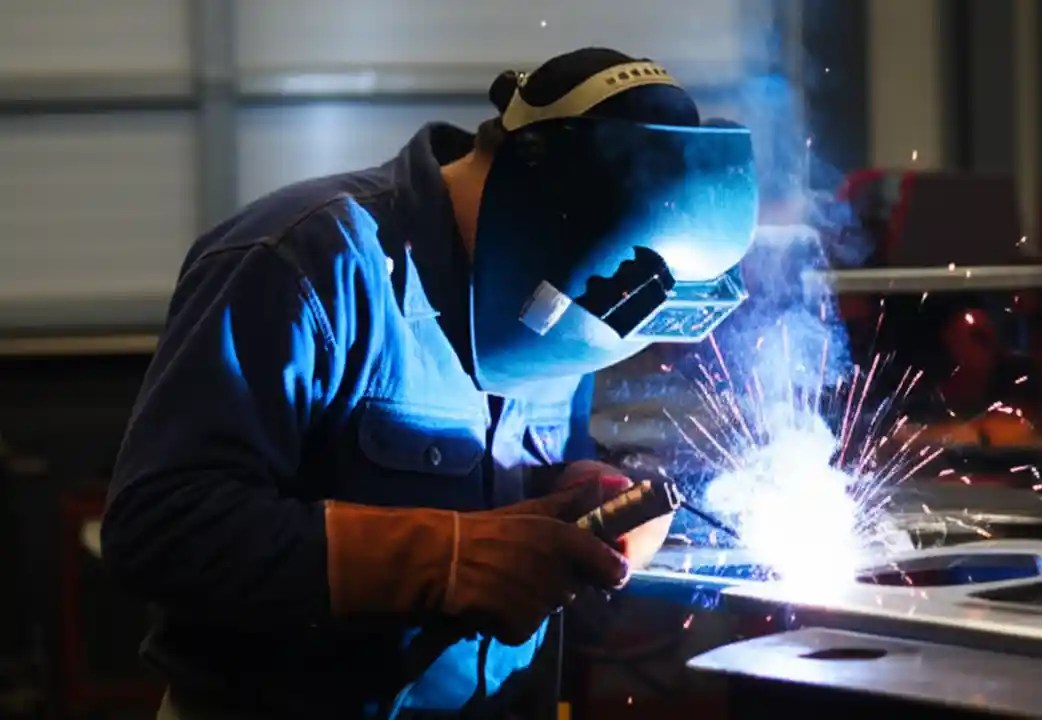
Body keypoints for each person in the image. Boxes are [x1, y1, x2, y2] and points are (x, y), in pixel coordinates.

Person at [100, 47, 758, 719]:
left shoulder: (578, 284)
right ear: (535, 205)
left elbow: (503, 476)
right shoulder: (303, 262)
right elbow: (158, 530)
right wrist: (441, 559)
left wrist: (580, 496)